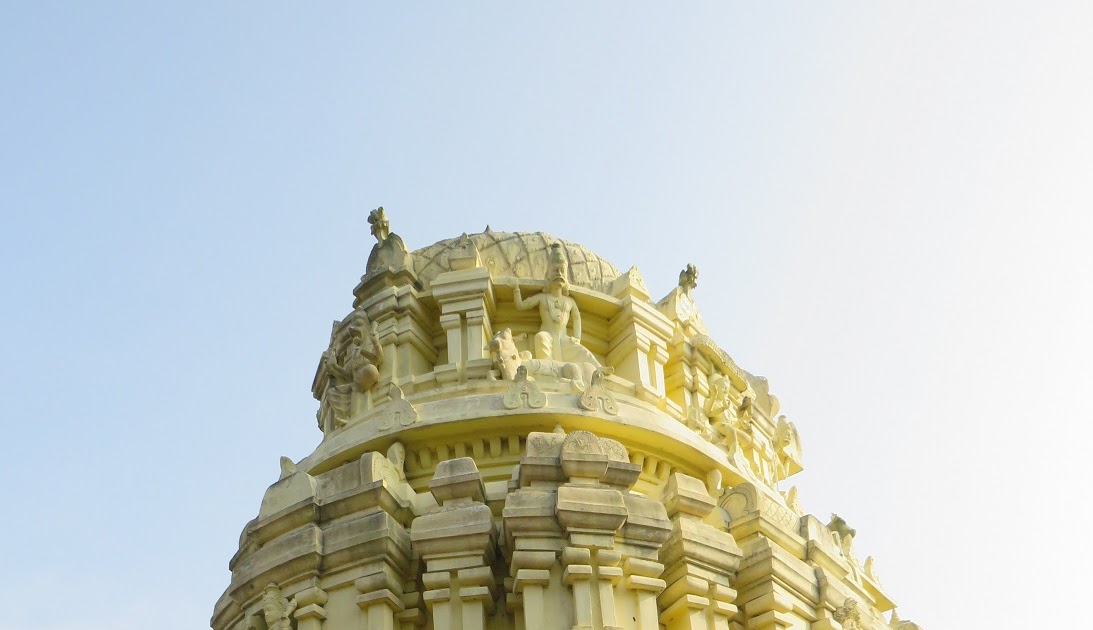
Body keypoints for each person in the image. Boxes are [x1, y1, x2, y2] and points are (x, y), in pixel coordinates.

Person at [512, 243, 602, 368]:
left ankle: (599, 369)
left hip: (563, 337)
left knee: (581, 350)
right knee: (540, 338)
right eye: (555, 270)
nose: (559, 273)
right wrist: (516, 289)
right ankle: (547, 369)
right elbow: (520, 306)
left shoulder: (570, 301)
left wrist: (577, 337)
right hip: (547, 334)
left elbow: (576, 318)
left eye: (562, 271)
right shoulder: (542, 298)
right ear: (548, 275)